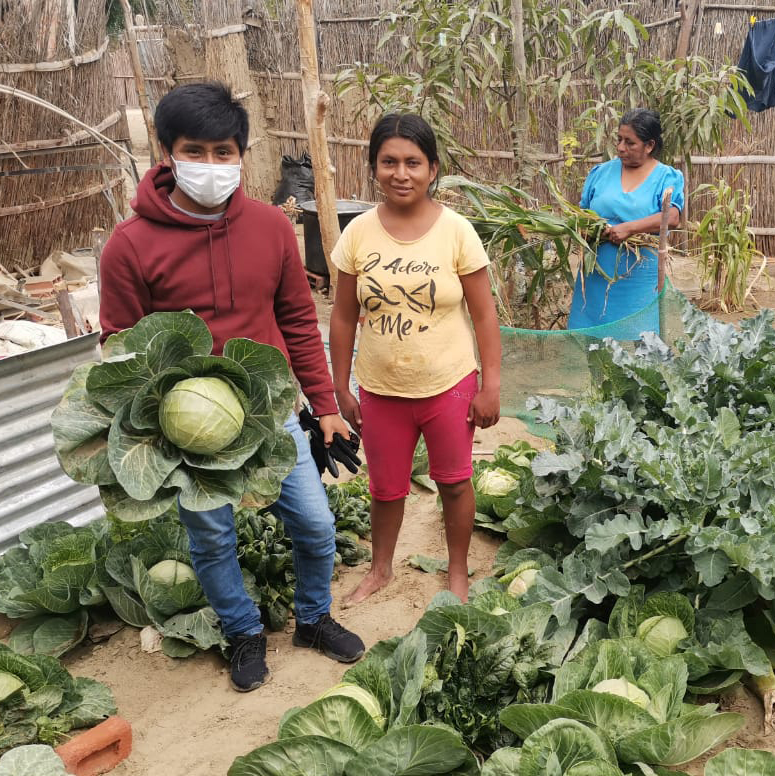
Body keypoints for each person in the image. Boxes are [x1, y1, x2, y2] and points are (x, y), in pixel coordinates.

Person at [98, 82, 366, 693]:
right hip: (193, 432)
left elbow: (298, 320)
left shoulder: (271, 226)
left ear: (242, 154)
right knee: (214, 537)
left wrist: (323, 406)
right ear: (165, 152)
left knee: (317, 526)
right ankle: (242, 631)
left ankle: (314, 618)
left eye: (226, 152)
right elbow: (121, 348)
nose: (213, 165)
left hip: (271, 413)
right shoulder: (129, 247)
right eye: (197, 150)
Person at [329, 113, 501, 605]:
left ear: (433, 168)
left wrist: (490, 386)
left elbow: (485, 316)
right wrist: (341, 387)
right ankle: (380, 569)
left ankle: (458, 572)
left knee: (453, 482)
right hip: (380, 388)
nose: (400, 173)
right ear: (373, 167)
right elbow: (342, 318)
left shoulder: (456, 231)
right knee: (385, 490)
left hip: (449, 384)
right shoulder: (358, 234)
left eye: (412, 162)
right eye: (388, 162)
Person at [567, 108, 685, 339]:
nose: (621, 147)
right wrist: (587, 228)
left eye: (630, 142)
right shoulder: (600, 173)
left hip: (639, 277)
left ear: (649, 145)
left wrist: (628, 228)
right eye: (619, 140)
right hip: (597, 275)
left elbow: (671, 217)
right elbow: (582, 213)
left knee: (641, 342)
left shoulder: (666, 177)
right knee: (595, 345)